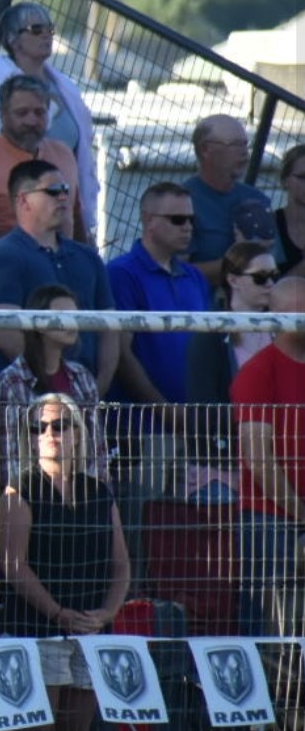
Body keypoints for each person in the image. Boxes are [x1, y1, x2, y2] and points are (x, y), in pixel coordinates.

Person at [0, 394, 129, 731]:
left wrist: (105, 614)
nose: (51, 435)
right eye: (40, 428)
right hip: (38, 628)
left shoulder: (99, 492)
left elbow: (122, 565)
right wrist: (57, 614)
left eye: (61, 425)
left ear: (80, 433)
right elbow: (13, 565)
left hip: (89, 631)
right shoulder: (20, 488)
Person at [0, 160, 117, 392]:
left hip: (85, 397)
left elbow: (111, 329)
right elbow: (5, 335)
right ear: (23, 200)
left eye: (65, 190)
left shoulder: (87, 257)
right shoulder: (1, 257)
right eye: (53, 191)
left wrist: (93, 390)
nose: (63, 197)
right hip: (28, 400)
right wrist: (51, 390)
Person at [0, 3, 97, 238]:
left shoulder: (65, 87)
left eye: (50, 29)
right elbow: (7, 137)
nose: (46, 35)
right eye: (36, 29)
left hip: (65, 202)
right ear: (12, 39)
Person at [232, 276, 305, 642]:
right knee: (273, 629)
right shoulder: (259, 371)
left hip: (287, 516)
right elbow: (257, 456)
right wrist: (300, 511)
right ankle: (274, 697)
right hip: (270, 519)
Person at [0, 283, 107, 495]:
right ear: (39, 324)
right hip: (32, 504)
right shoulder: (8, 384)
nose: (72, 323)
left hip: (84, 501)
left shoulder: (83, 378)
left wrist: (91, 496)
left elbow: (96, 450)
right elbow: (8, 464)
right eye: (62, 315)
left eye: (75, 316)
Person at [185, 241, 277, 497]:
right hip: (223, 468)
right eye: (260, 277)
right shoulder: (210, 335)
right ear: (233, 280)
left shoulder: (280, 331)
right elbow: (203, 409)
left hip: (276, 462)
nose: (270, 284)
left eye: (274, 276)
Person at [106, 182, 209, 405]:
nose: (188, 227)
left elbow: (208, 347)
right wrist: (165, 411)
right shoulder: (121, 274)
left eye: (192, 220)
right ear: (149, 220)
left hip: (196, 421)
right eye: (178, 219)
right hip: (143, 424)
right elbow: (122, 354)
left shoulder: (194, 277)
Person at [0, 74, 84, 244]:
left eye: (39, 112)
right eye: (22, 113)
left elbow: (76, 217)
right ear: (2, 114)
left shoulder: (63, 153)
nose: (31, 121)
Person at [184, 113, 275, 284]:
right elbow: (177, 275)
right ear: (206, 150)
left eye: (245, 144)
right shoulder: (182, 202)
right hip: (202, 306)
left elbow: (275, 267)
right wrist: (241, 257)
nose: (244, 153)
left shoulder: (257, 199)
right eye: (234, 145)